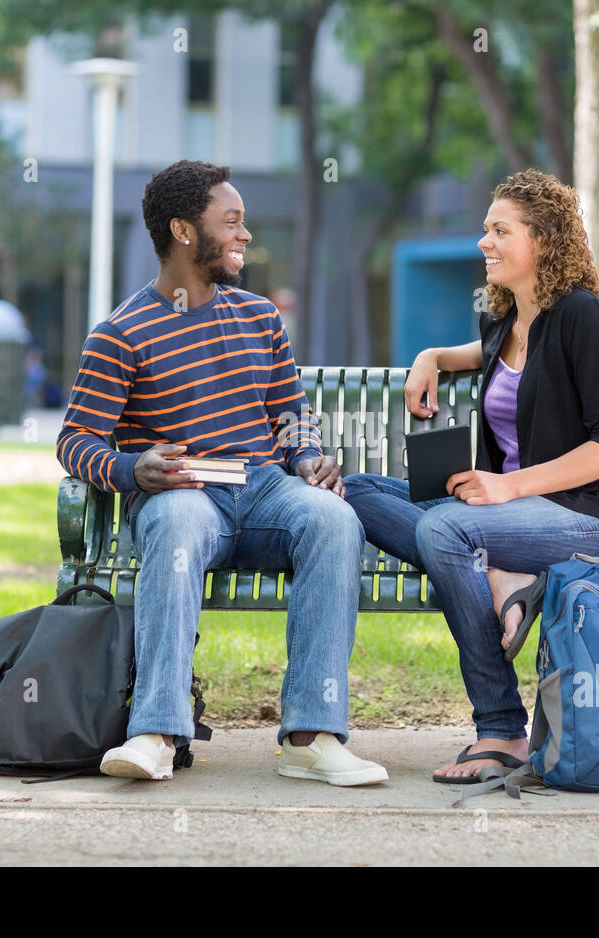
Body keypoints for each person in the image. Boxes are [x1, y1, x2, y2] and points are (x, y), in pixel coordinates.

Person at [55, 160, 387, 787]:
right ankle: (155, 732)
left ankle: (310, 738)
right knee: (178, 526)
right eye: (231, 222)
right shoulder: (120, 334)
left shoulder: (260, 317)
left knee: (336, 520)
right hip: (183, 493)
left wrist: (307, 455)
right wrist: (132, 468)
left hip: (262, 489)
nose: (245, 235)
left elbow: (290, 414)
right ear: (184, 230)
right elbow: (75, 441)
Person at [342, 169, 599, 784]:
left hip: (594, 518)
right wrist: (429, 358)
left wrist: (507, 486)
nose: (484, 242)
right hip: (512, 519)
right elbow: (472, 354)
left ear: (544, 241)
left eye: (499, 231)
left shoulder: (587, 320)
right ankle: (501, 574)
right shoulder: (506, 322)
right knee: (354, 491)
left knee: (448, 531)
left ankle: (502, 727)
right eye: (486, 229)